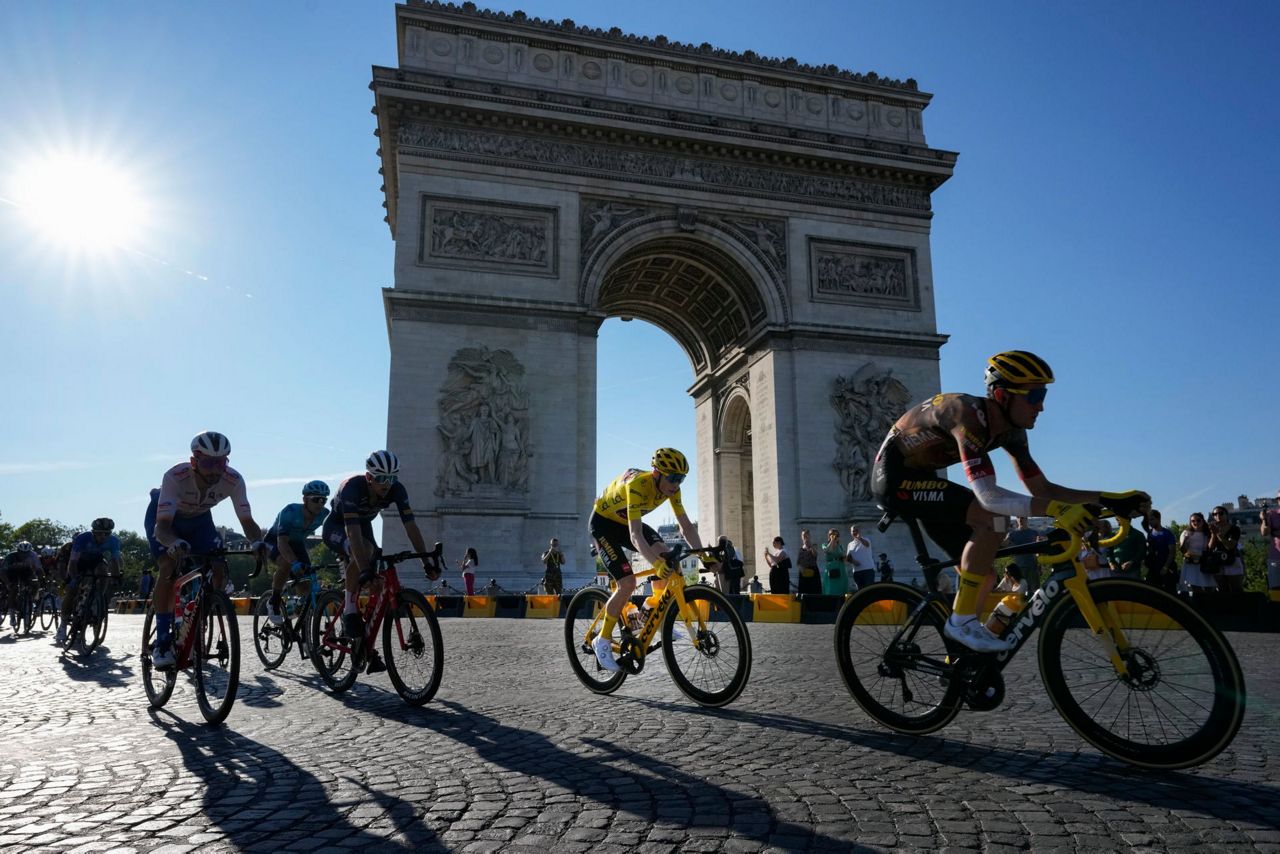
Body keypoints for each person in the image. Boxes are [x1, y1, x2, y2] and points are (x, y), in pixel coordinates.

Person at [870, 350, 1149, 652]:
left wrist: (1108, 499)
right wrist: (1059, 510)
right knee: (991, 519)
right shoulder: (966, 415)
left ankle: (964, 655)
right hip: (894, 480)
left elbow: (1043, 489)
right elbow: (989, 495)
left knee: (986, 570)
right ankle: (961, 621)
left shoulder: (1012, 432)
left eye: (1043, 395)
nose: (1041, 406)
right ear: (1002, 395)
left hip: (926, 481)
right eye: (1034, 396)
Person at [587, 447, 717, 672]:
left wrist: (705, 556)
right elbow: (636, 535)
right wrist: (656, 564)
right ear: (656, 473)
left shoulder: (673, 490)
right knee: (628, 582)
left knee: (669, 558)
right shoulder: (637, 485)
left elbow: (686, 526)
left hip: (625, 522)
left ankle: (649, 612)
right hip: (603, 525)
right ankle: (602, 639)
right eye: (673, 478)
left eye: (681, 479)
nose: (676, 484)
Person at [145, 432, 268, 669]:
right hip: (168, 522)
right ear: (194, 462)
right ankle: (162, 642)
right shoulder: (175, 477)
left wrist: (257, 542)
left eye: (221, 463)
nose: (215, 470)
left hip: (199, 520)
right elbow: (162, 528)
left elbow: (248, 522)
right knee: (168, 567)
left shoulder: (233, 479)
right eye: (208, 463)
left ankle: (201, 613)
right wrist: (173, 543)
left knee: (218, 564)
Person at [321, 450, 437, 672]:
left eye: (392, 478)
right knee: (364, 552)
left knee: (378, 578)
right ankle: (350, 610)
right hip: (337, 527)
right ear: (369, 477)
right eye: (382, 478)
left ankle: (364, 646)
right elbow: (353, 534)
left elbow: (411, 526)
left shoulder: (396, 490)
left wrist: (426, 561)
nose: (387, 484)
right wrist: (364, 569)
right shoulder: (352, 488)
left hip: (364, 524)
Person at [262, 480, 331, 626]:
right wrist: (294, 563)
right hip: (275, 541)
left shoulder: (324, 514)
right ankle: (273, 601)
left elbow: (332, 534)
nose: (320, 503)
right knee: (286, 564)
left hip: (297, 544)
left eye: (324, 500)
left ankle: (299, 616)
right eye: (316, 499)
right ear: (305, 499)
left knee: (306, 583)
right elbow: (282, 543)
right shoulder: (290, 511)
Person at [56, 518, 122, 643]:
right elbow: (73, 562)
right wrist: (74, 579)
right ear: (93, 532)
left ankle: (98, 598)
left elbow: (114, 561)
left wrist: (116, 577)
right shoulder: (83, 538)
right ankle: (63, 624)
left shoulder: (113, 541)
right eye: (99, 533)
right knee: (72, 591)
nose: (103, 536)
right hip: (79, 562)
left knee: (103, 570)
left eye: (106, 533)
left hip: (96, 562)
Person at [2, 541, 40, 630]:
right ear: (18, 551)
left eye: (26, 553)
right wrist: (8, 584)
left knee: (35, 583)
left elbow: (38, 569)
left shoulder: (33, 556)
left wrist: (40, 578)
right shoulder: (10, 557)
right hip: (11, 573)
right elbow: (3, 572)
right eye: (22, 553)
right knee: (13, 589)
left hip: (25, 571)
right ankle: (12, 615)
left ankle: (33, 601)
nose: (24, 555)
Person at [1001, 517, 1043, 593]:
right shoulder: (1012, 534)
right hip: (1019, 568)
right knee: (1020, 592)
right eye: (1018, 517)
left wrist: (1039, 565)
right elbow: (1004, 543)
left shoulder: (1034, 533)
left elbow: (1038, 550)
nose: (1020, 519)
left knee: (1035, 591)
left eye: (1022, 517)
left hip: (1032, 566)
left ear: (1026, 519)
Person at [1209, 505, 1244, 594]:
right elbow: (1210, 548)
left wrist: (1219, 535)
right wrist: (1213, 535)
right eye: (1214, 514)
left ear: (1226, 515)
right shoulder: (1213, 529)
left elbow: (1230, 546)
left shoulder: (1234, 529)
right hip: (1218, 561)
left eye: (1220, 513)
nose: (1217, 516)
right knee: (1222, 590)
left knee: (1236, 589)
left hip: (1232, 560)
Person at [1178, 512, 1215, 595]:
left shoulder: (1207, 533)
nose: (1195, 523)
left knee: (1209, 588)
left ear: (1203, 521)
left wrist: (1213, 534)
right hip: (1191, 563)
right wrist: (1185, 541)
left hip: (1205, 563)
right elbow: (1183, 550)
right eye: (1193, 521)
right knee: (1195, 587)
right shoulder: (1186, 533)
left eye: (1198, 520)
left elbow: (1210, 548)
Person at [1141, 509, 1178, 593]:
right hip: (1153, 568)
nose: (1150, 522)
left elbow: (1172, 551)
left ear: (1158, 519)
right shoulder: (1149, 533)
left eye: (1152, 519)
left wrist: (1166, 567)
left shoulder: (1167, 533)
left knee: (1169, 593)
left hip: (1166, 568)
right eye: (1148, 520)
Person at [845, 525, 875, 590]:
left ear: (859, 531)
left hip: (868, 570)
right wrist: (853, 561)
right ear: (851, 532)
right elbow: (848, 558)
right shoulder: (850, 544)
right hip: (857, 572)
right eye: (853, 531)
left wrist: (860, 538)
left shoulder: (866, 540)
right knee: (860, 591)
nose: (855, 532)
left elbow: (867, 544)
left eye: (856, 530)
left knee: (869, 590)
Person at [1262, 493, 1280, 591]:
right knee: (1276, 588)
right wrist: (1264, 519)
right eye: (1278, 498)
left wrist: (1276, 531)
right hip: (1275, 557)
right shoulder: (1272, 514)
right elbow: (1264, 532)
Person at [821, 528, 847, 595]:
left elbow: (844, 556)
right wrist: (832, 541)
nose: (835, 537)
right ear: (829, 536)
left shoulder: (840, 546)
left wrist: (844, 556)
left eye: (837, 535)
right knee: (830, 587)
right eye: (832, 535)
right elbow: (828, 551)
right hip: (831, 568)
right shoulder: (824, 544)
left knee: (840, 587)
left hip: (840, 567)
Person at [795, 529, 821, 594]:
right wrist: (800, 568)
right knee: (803, 592)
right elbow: (798, 562)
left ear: (809, 536)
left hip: (813, 571)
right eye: (803, 535)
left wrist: (810, 545)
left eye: (806, 535)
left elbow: (815, 554)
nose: (805, 537)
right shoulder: (801, 549)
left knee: (813, 591)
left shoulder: (814, 545)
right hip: (803, 572)